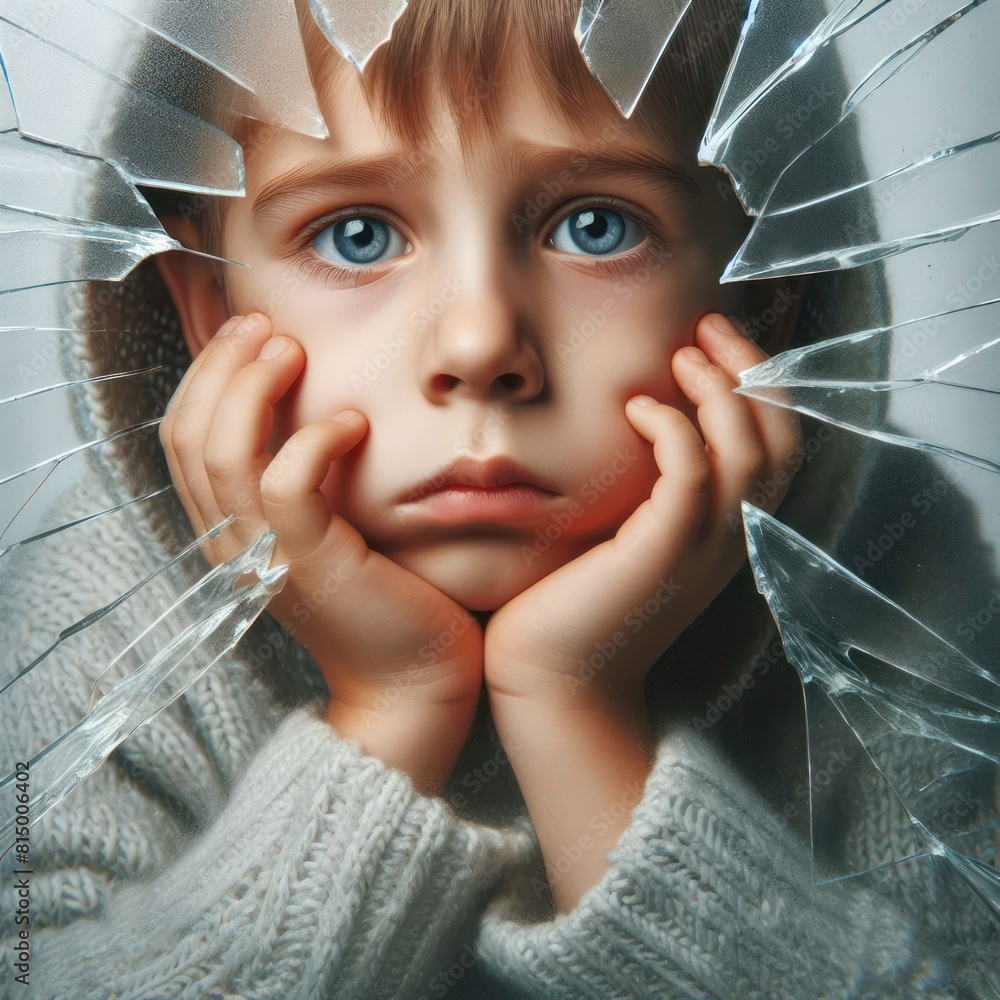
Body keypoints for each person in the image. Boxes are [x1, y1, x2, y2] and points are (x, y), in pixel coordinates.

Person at [0, 0, 990, 996]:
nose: (479, 345)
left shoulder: (884, 564)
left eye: (595, 227)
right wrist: (394, 707)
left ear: (759, 292)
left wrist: (578, 714)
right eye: (354, 235)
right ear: (209, 307)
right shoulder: (99, 608)